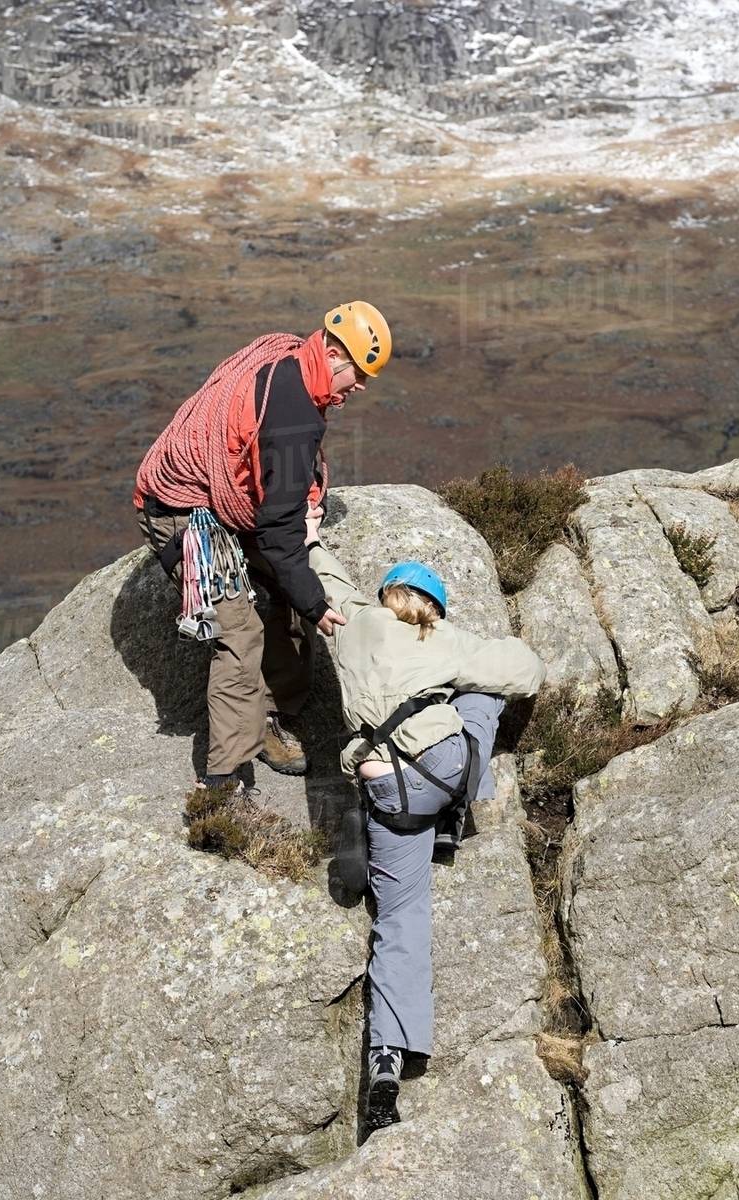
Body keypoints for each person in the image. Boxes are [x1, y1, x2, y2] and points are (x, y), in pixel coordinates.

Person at [304, 512, 546, 1131]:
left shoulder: (356, 625)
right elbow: (523, 672)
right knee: (482, 697)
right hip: (440, 777)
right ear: (429, 606)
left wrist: (308, 537)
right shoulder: (438, 640)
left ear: (387, 595)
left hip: (385, 791)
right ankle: (461, 812)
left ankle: (386, 1061)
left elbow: (328, 578)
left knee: (400, 919)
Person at [132, 303, 391, 788]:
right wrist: (315, 603)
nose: (361, 387)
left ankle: (275, 713)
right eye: (359, 374)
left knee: (286, 592)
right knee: (240, 630)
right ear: (334, 355)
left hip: (218, 495)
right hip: (179, 510)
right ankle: (224, 779)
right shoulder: (294, 418)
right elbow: (276, 533)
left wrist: (299, 585)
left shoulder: (290, 356)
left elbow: (278, 490)